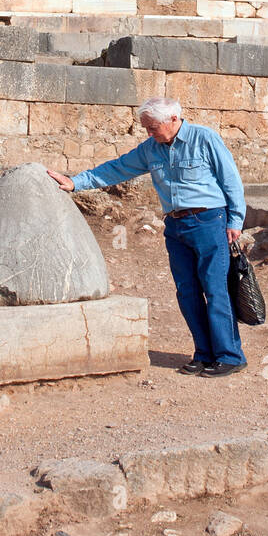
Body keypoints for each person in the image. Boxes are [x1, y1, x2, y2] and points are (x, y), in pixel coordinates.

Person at [47, 97, 248, 378]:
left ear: (174, 120)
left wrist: (236, 219)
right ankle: (203, 353)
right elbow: (116, 168)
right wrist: (75, 182)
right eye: (146, 128)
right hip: (175, 227)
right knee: (187, 292)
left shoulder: (205, 138)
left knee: (215, 289)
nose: (149, 133)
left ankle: (229, 355)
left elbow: (230, 180)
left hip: (209, 220)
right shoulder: (150, 149)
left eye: (152, 127)